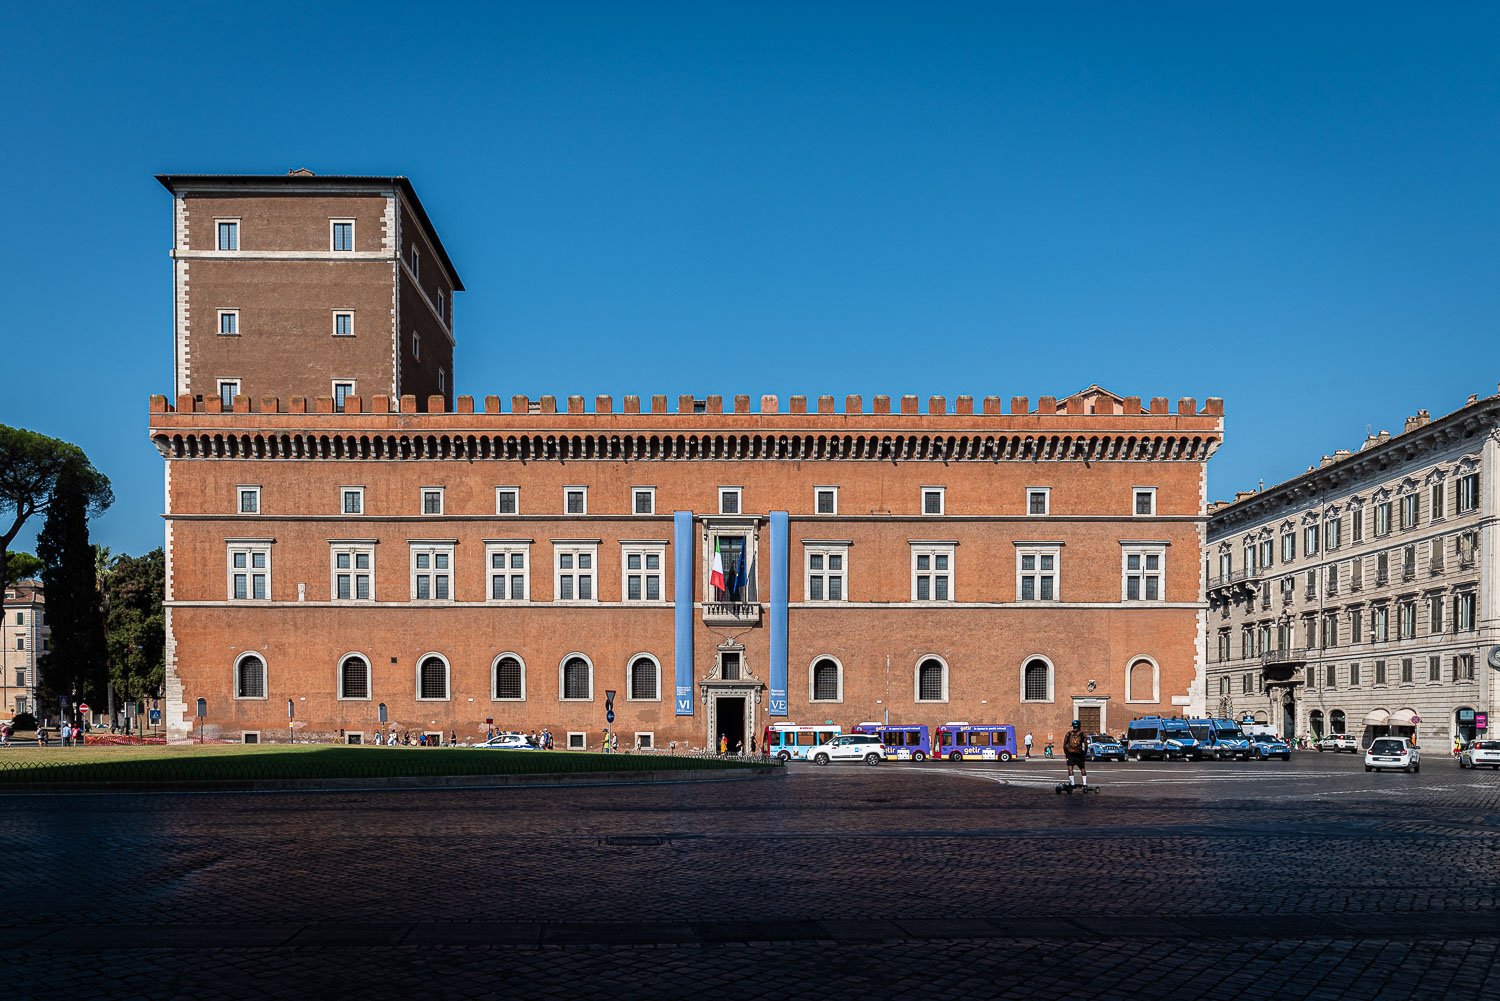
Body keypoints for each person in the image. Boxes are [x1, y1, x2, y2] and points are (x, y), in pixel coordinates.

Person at [1062, 719, 1089, 789]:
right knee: (1082, 768)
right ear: (1079, 726)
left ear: (1073, 726)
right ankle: (1085, 783)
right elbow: (1086, 745)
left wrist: (1066, 753)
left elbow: (1064, 745)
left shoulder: (1068, 733)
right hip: (1079, 753)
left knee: (1070, 768)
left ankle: (1072, 783)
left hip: (1070, 753)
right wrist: (1085, 753)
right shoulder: (1082, 733)